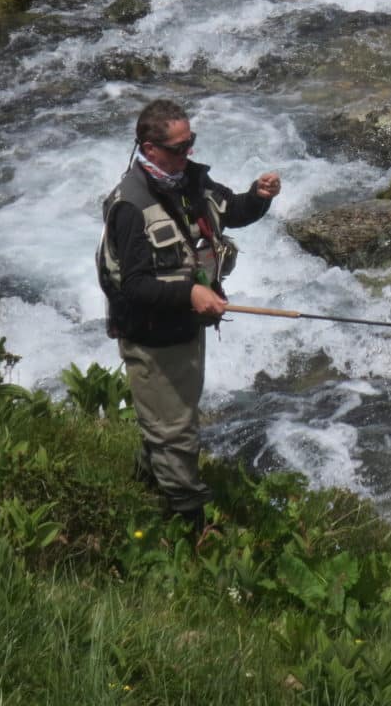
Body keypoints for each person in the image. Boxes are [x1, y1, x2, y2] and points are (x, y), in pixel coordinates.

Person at [96, 98, 281, 533]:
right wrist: (191, 291)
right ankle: (190, 532)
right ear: (150, 148)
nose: (188, 152)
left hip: (184, 327)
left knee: (171, 420)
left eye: (191, 142)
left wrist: (258, 197)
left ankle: (141, 489)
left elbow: (230, 211)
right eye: (179, 147)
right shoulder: (130, 206)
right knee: (176, 433)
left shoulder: (189, 181)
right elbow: (134, 287)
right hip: (152, 337)